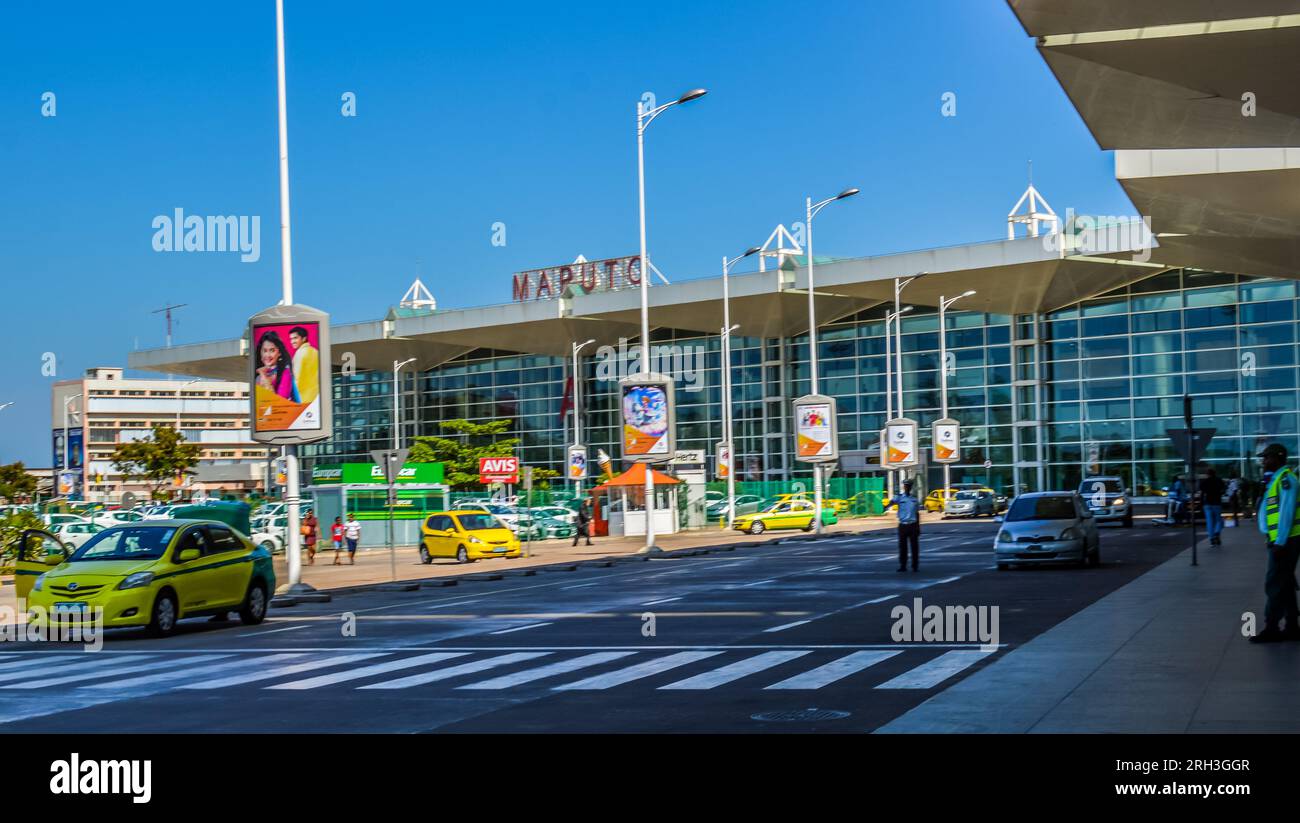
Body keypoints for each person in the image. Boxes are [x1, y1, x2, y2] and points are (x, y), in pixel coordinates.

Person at [1252, 443, 1300, 643]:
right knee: (1286, 582)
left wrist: (1279, 541)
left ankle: (1271, 627)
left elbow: (1287, 513)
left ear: (1278, 458)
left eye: (1267, 457)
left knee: (1274, 583)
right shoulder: (1275, 480)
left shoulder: (1287, 479)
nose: (1263, 461)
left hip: (1287, 540)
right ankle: (1292, 627)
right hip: (1280, 540)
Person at [884, 479, 921, 572]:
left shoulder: (914, 499)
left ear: (911, 487)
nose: (907, 488)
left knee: (914, 547)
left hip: (912, 525)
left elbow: (917, 513)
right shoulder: (899, 498)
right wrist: (886, 506)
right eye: (905, 486)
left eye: (908, 486)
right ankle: (903, 565)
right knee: (902, 547)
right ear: (904, 487)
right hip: (903, 525)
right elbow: (891, 502)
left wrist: (918, 527)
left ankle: (915, 566)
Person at [255, 331, 299, 402]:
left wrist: (263, 375)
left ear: (279, 353)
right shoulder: (258, 376)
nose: (268, 355)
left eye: (272, 350)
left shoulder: (286, 373)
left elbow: (278, 403)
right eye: (265, 351)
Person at [288, 326, 320, 406]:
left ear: (304, 338)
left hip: (302, 400)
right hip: (316, 399)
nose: (292, 341)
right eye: (291, 339)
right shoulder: (315, 351)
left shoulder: (300, 353)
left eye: (295, 338)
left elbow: (296, 378)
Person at [1201, 468, 1226, 546]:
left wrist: (1202, 503)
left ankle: (1212, 538)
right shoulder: (1219, 480)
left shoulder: (1204, 482)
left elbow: (1202, 492)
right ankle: (1217, 533)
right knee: (1219, 520)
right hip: (1216, 503)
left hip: (1207, 503)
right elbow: (1223, 490)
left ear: (1207, 474)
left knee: (1210, 522)